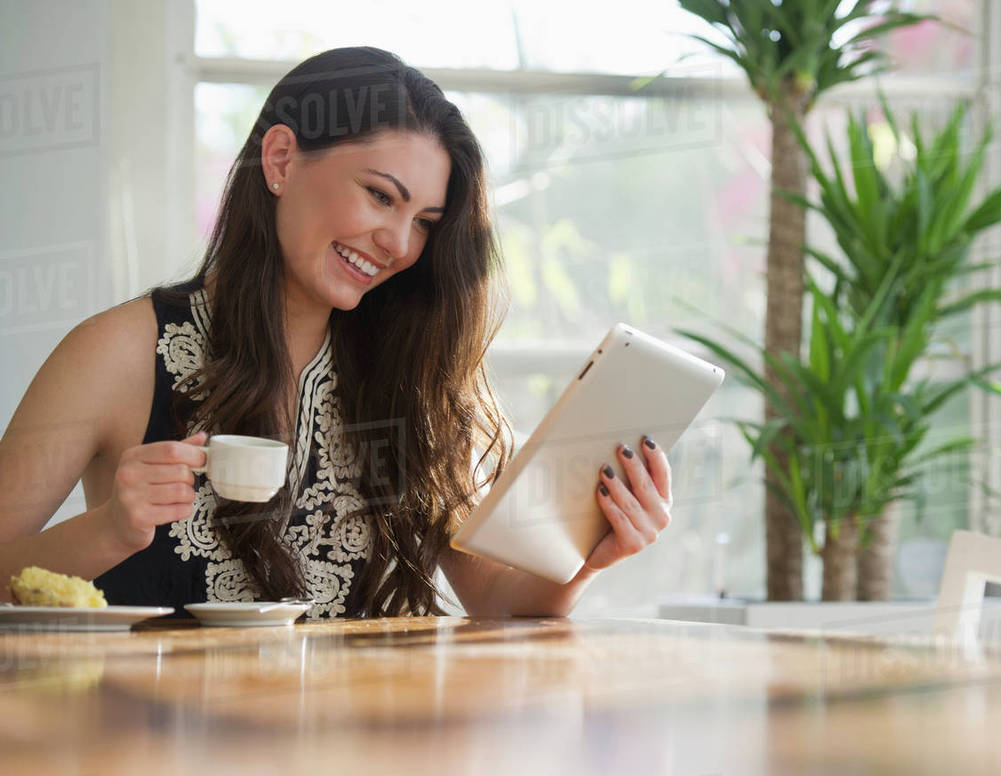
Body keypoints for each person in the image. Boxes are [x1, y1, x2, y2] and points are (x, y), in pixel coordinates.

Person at [0, 47, 673, 618]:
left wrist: (586, 558)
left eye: (425, 222)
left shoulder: (407, 375)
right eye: (381, 195)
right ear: (282, 159)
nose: (399, 243)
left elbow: (495, 599)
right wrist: (110, 530)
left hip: (358, 762)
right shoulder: (115, 354)